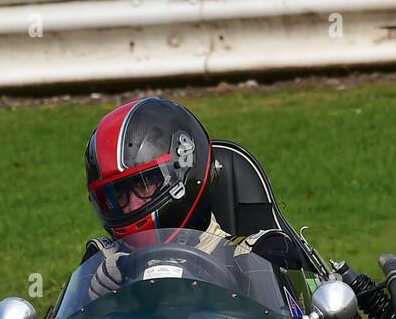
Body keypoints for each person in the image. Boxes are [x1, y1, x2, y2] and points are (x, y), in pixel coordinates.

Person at [81, 97, 303, 298]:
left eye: (145, 184)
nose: (131, 206)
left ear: (183, 170)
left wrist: (238, 285)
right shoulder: (100, 263)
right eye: (117, 195)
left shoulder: (263, 252)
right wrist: (95, 305)